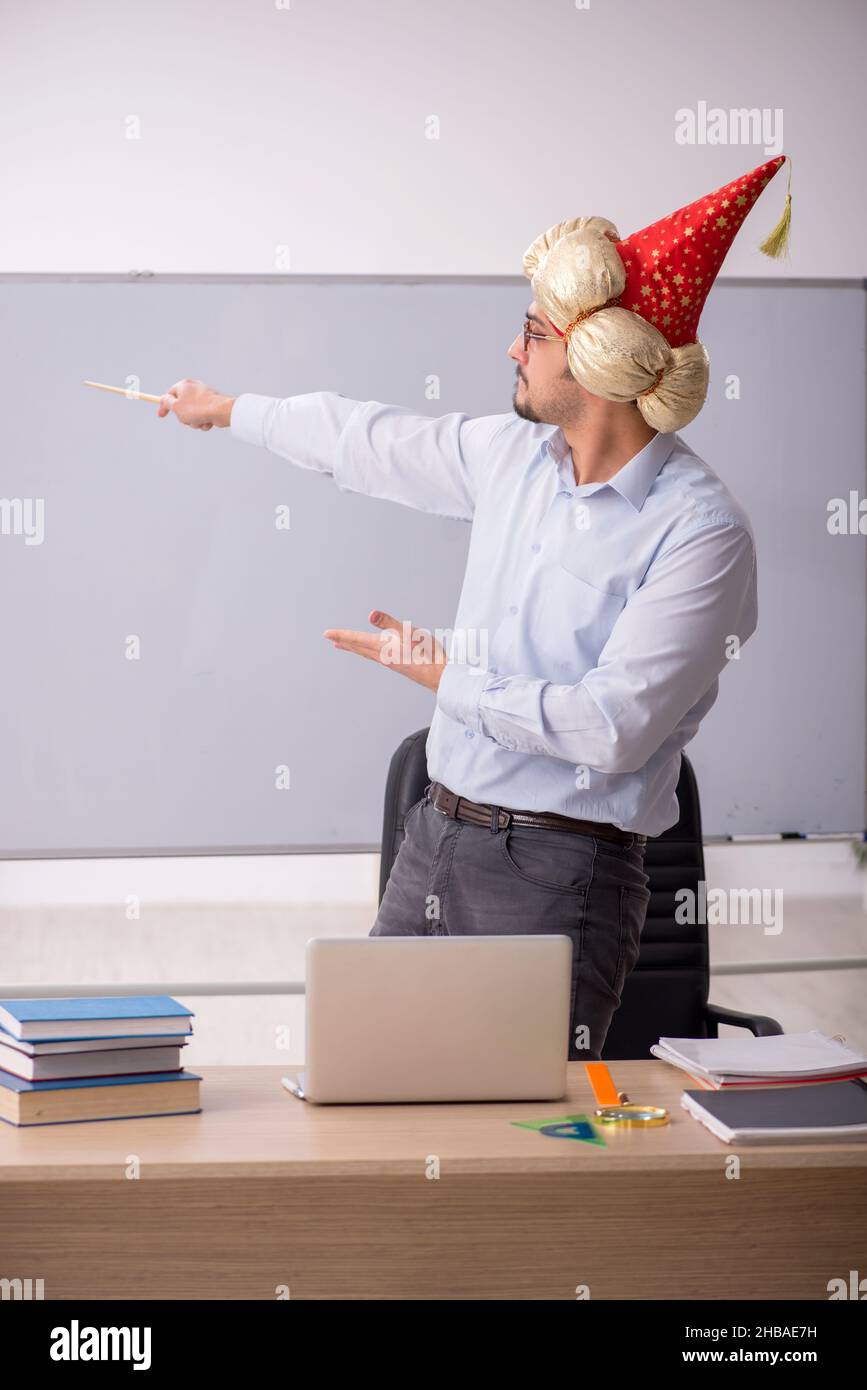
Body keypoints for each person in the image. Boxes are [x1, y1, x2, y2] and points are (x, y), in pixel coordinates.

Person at [157, 154, 791, 1060]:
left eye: (532, 330)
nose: (511, 348)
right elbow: (368, 439)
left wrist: (449, 679)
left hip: (560, 873)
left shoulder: (699, 532)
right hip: (435, 836)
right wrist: (228, 411)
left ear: (594, 361)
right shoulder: (511, 457)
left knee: (516, 1147)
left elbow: (614, 730)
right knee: (365, 1088)